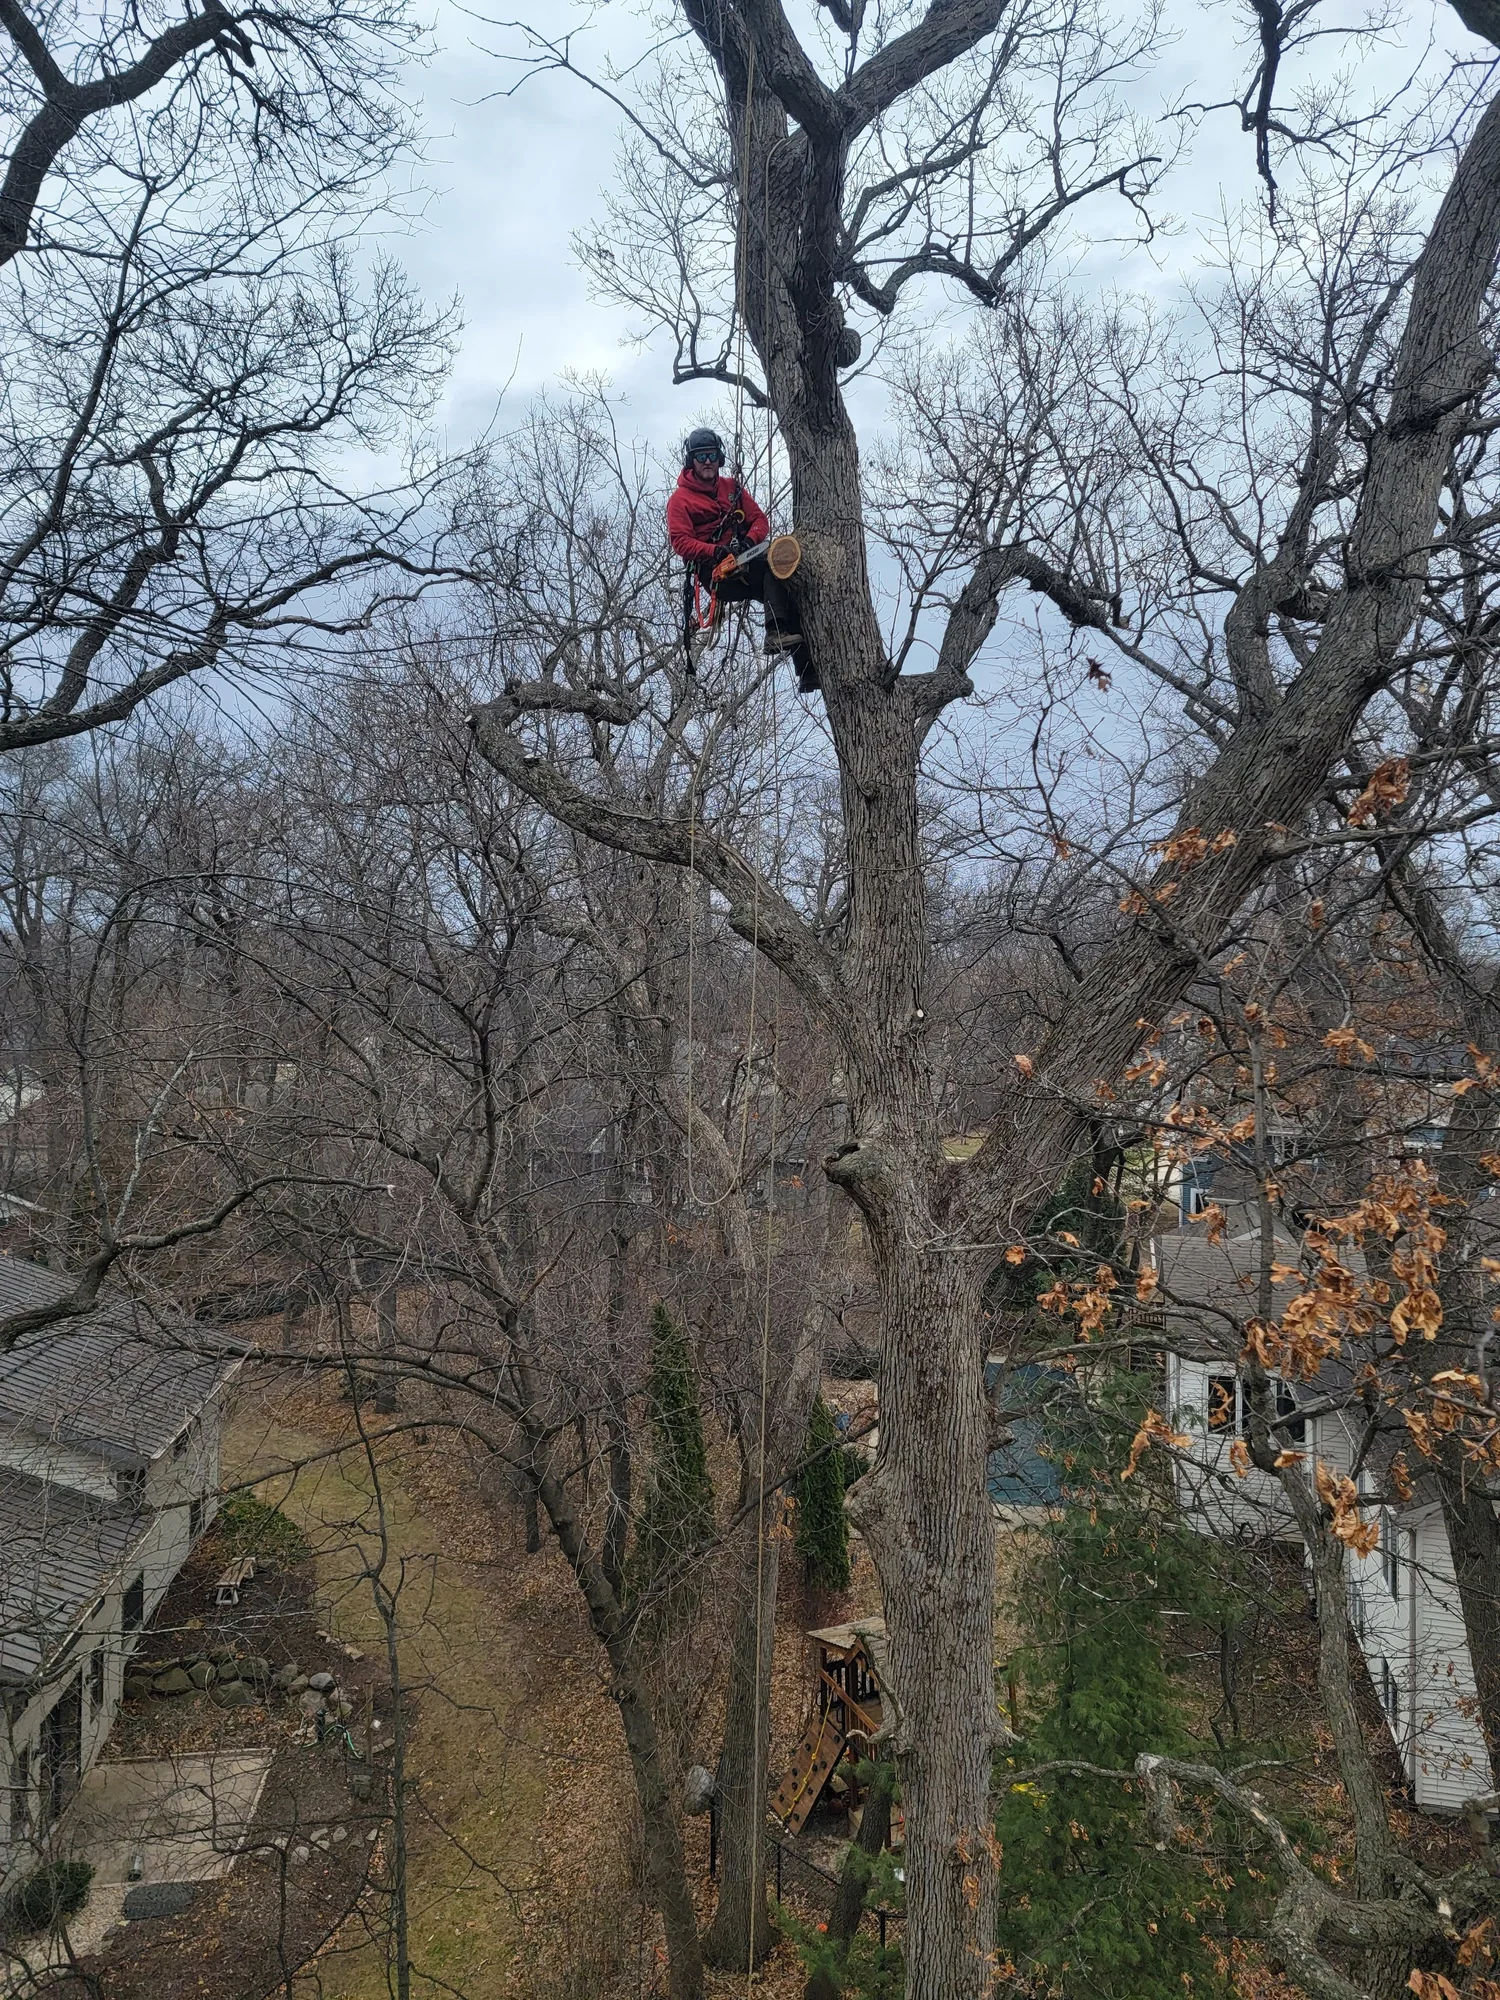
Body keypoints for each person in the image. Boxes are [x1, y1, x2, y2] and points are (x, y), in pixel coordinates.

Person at [666, 428, 818, 692]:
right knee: (771, 570)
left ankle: (807, 672)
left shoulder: (731, 488)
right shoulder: (680, 500)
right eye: (701, 457)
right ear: (691, 461)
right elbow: (680, 542)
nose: (708, 462)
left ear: (720, 458)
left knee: (789, 594)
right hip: (716, 574)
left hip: (744, 558)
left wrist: (748, 542)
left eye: (712, 456)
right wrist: (714, 552)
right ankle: (774, 632)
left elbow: (759, 520)